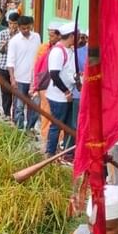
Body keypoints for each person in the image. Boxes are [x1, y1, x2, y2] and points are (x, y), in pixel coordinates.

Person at [45, 22, 77, 158]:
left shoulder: (70, 50)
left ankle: (67, 153)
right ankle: (50, 152)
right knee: (56, 125)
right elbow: (54, 75)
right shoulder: (58, 52)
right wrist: (66, 92)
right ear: (70, 36)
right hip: (59, 96)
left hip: (69, 94)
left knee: (69, 125)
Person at [7, 15, 41, 132]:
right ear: (19, 27)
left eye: (28, 28)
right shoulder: (14, 41)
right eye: (23, 28)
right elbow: (10, 62)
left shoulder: (36, 37)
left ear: (31, 26)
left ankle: (29, 128)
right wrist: (12, 79)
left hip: (34, 79)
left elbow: (39, 56)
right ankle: (19, 129)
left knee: (35, 106)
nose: (26, 31)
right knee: (19, 106)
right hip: (19, 78)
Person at [0, 11, 18, 120]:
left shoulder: (20, 35)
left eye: (15, 23)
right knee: (5, 91)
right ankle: (7, 113)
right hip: (4, 66)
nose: (12, 26)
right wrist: (4, 46)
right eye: (10, 23)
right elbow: (1, 51)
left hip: (16, 68)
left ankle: (15, 115)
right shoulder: (3, 33)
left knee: (16, 92)